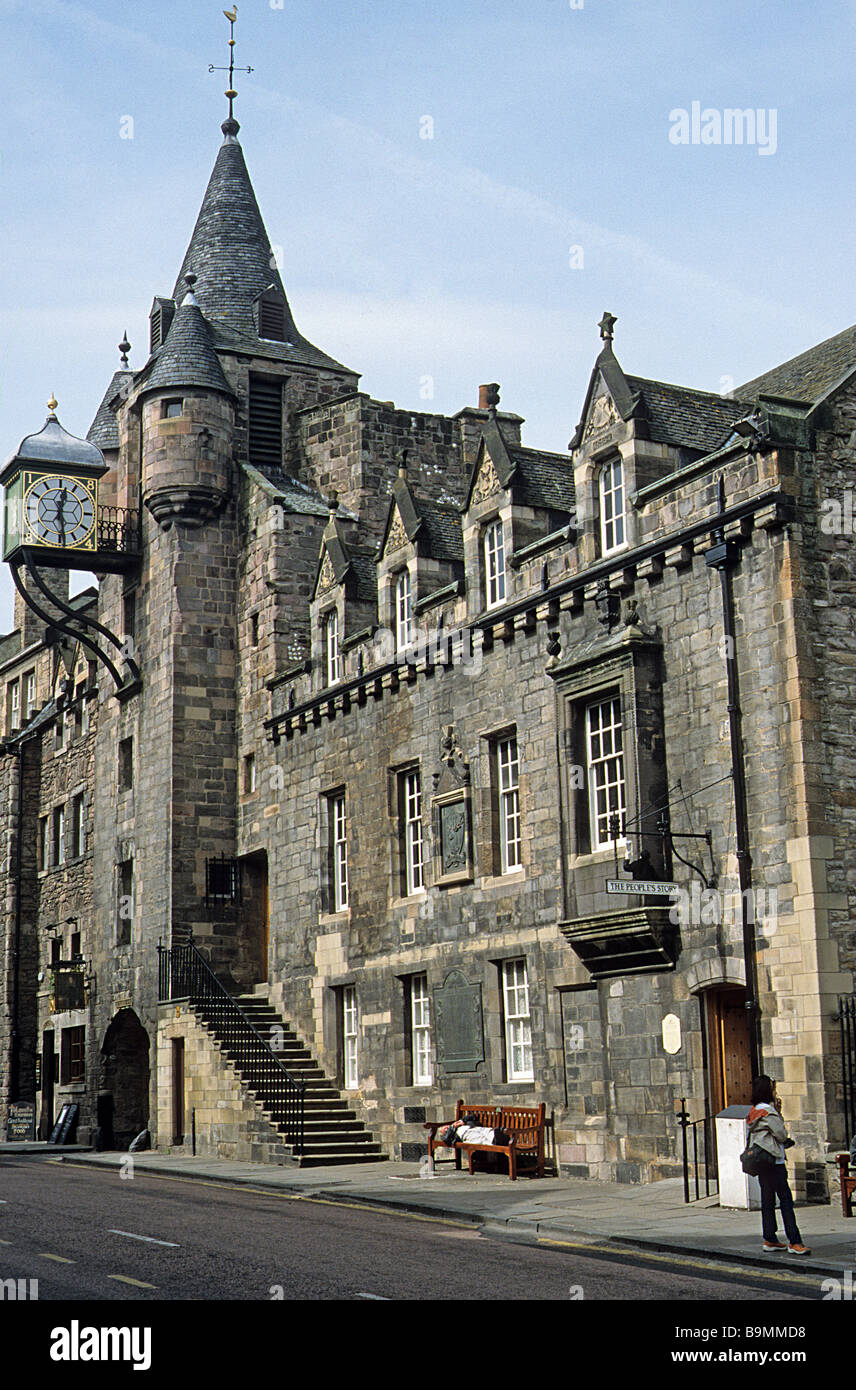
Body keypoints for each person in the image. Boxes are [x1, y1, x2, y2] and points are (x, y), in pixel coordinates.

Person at [747, 1075, 810, 1255]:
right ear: (768, 1091)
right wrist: (779, 1113)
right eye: (773, 1089)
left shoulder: (754, 1111)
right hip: (775, 1161)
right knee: (786, 1201)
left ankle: (770, 1238)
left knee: (767, 1201)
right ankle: (795, 1241)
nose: (776, 1092)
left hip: (762, 1162)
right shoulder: (769, 1111)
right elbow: (781, 1135)